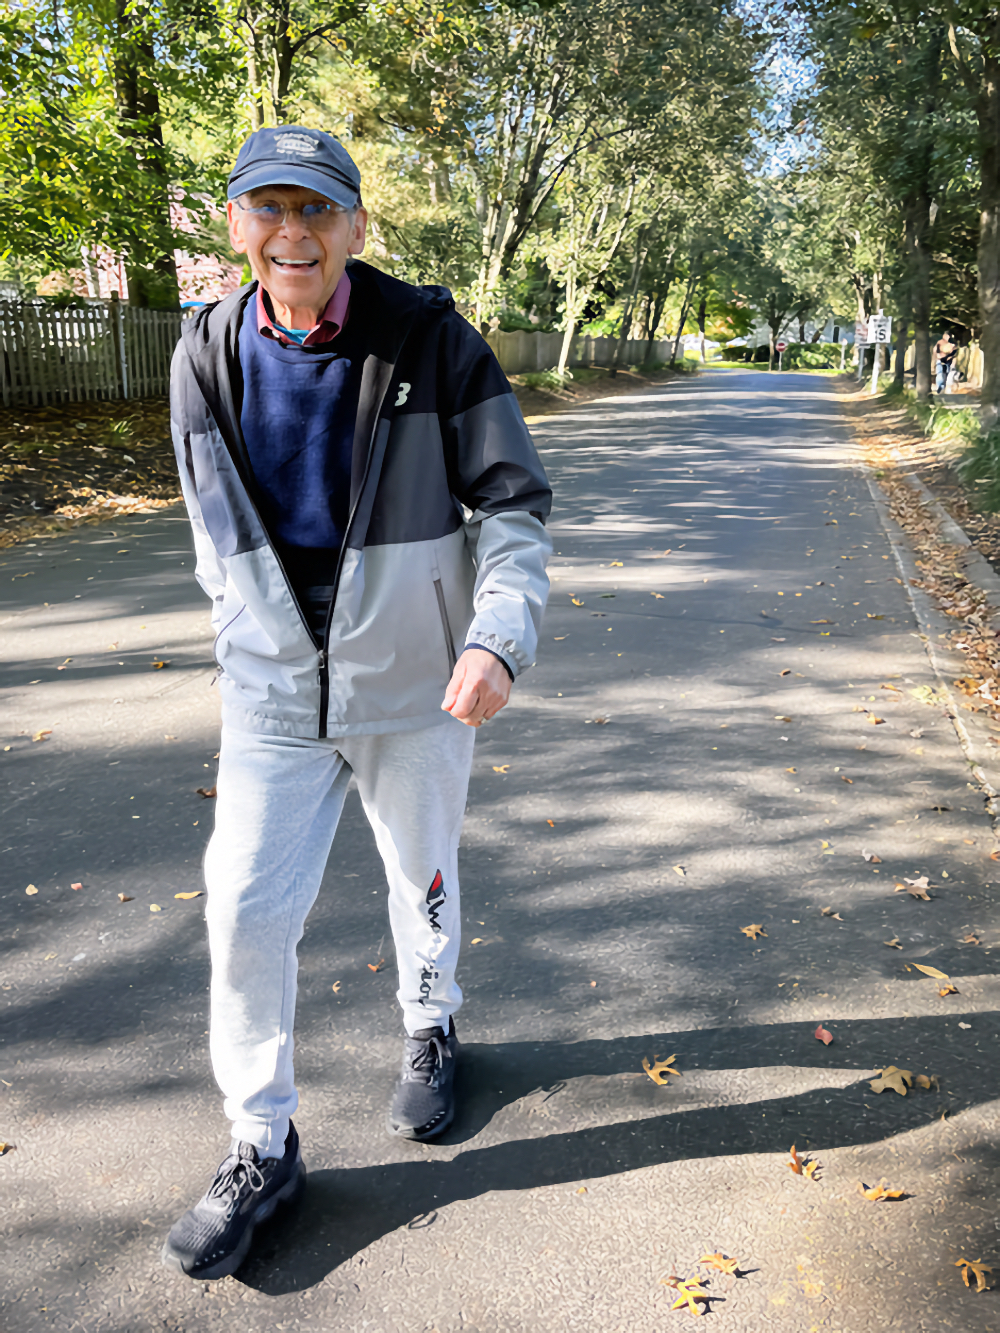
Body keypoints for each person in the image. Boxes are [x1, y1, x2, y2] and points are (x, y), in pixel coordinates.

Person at [161, 125, 552, 1281]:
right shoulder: (206, 351)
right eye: (268, 209)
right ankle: (260, 1143)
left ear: (355, 228)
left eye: (317, 210)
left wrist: (495, 638)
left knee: (418, 872)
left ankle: (430, 1020)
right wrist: (244, 641)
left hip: (416, 680)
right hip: (275, 689)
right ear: (236, 224)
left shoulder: (431, 343)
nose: (293, 233)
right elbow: (212, 531)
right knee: (241, 908)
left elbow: (516, 510)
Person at [933, 330, 958, 396]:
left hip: (948, 361)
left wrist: (951, 357)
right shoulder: (940, 342)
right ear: (944, 336)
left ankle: (942, 387)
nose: (948, 337)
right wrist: (938, 356)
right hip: (940, 359)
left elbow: (954, 352)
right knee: (940, 373)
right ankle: (940, 387)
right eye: (947, 335)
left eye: (949, 336)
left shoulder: (952, 343)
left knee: (946, 373)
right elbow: (936, 350)